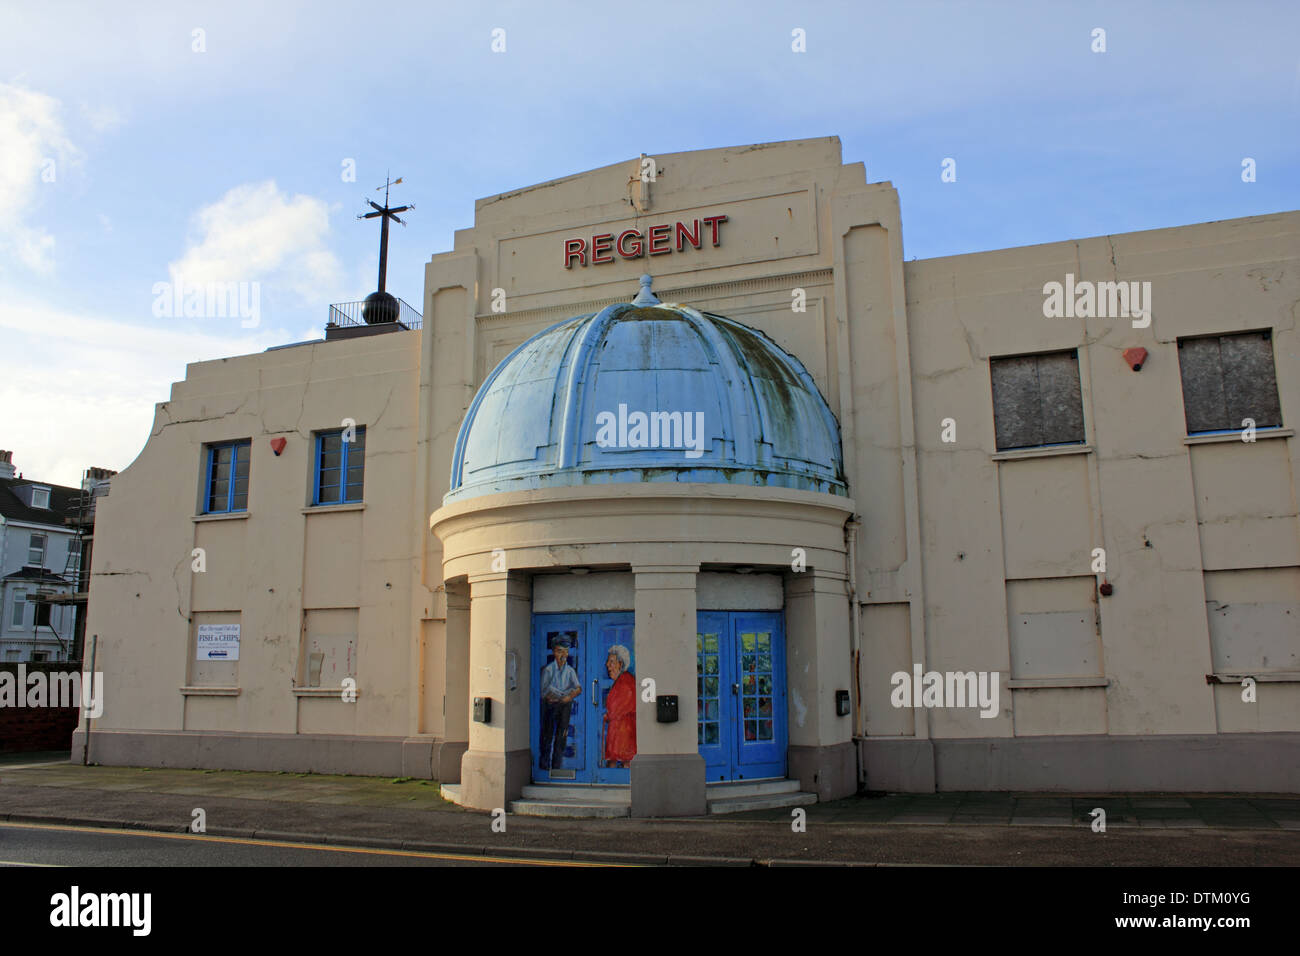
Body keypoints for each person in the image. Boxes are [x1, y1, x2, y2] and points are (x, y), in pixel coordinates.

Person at [539, 638, 581, 770]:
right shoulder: (548, 670)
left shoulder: (570, 671)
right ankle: (544, 767)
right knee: (547, 736)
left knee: (561, 737)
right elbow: (543, 691)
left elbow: (578, 688)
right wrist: (551, 695)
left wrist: (569, 697)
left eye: (566, 652)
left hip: (564, 706)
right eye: (559, 651)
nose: (563, 655)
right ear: (553, 652)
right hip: (551, 706)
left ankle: (557, 766)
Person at [602, 644, 636, 766]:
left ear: (620, 664)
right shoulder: (623, 680)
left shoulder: (626, 682)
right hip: (620, 734)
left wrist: (607, 715)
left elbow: (617, 708)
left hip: (623, 735)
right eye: (608, 661)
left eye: (611, 662)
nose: (607, 665)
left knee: (623, 764)